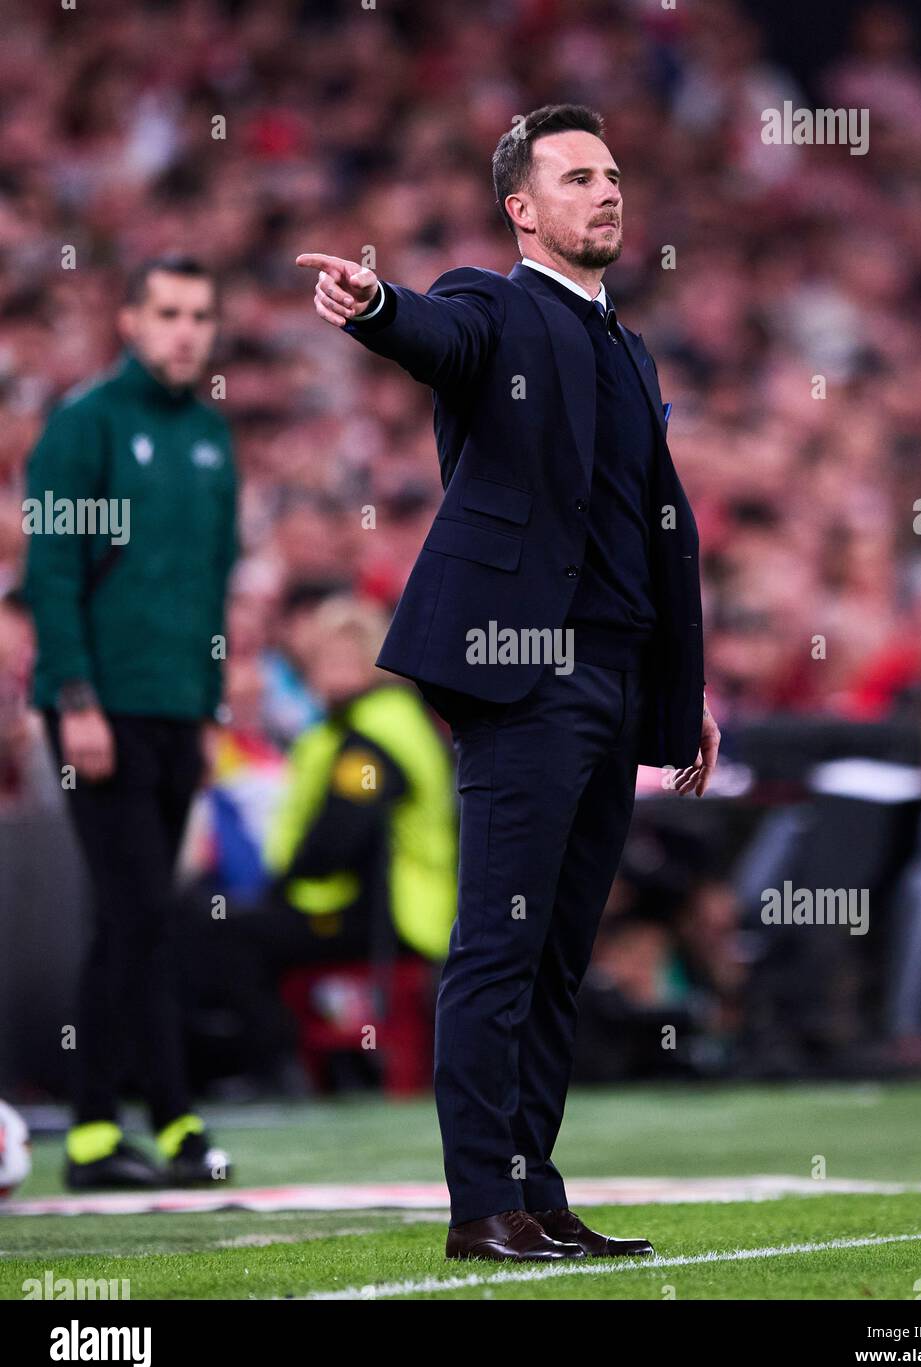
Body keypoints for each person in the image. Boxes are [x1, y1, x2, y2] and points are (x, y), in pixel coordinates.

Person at [297, 104, 721, 1262]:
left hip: (614, 679)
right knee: (501, 943)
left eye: (613, 174)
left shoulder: (627, 347)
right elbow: (435, 336)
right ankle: (481, 1203)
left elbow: (650, 534)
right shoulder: (494, 303)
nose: (607, 191)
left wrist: (682, 695)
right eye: (577, 176)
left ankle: (534, 1191)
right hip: (521, 672)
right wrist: (378, 306)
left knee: (557, 956)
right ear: (521, 209)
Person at [23, 255, 238, 1189]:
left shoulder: (211, 439)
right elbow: (53, 575)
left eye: (199, 314)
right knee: (136, 912)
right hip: (101, 711)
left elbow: (212, 590)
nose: (186, 330)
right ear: (128, 321)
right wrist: (76, 700)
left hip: (175, 712)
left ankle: (162, 1125)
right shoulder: (85, 428)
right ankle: (104, 1133)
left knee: (144, 920)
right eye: (168, 313)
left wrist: (206, 711)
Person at [177, 596, 457, 1090]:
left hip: (390, 916)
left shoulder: (375, 733)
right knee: (219, 921)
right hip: (379, 907)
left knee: (233, 934)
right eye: (325, 658)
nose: (331, 670)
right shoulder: (365, 724)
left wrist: (285, 882)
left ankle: (275, 1069)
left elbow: (341, 834)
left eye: (348, 658)